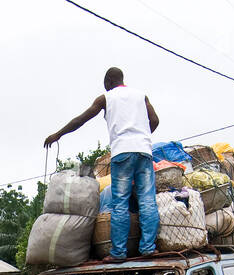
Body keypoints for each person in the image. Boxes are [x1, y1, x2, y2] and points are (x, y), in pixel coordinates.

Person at [45, 67, 160, 262]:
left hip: (122, 153)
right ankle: (148, 247)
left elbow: (81, 119)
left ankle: (118, 252)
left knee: (120, 203)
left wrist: (58, 134)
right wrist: (142, 137)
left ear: (108, 83)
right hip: (143, 152)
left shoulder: (106, 98)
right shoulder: (141, 96)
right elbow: (155, 120)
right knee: (147, 200)